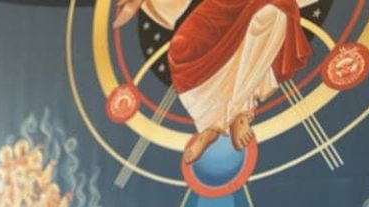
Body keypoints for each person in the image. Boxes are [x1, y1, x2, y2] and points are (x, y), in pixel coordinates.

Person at [113, 0, 313, 163]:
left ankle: (239, 112)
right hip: (221, 6)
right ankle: (211, 125)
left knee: (272, 13)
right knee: (181, 49)